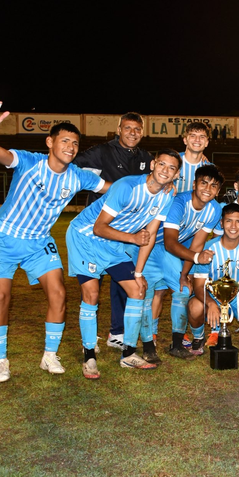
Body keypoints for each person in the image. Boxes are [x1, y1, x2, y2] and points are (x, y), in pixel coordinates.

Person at [0, 100, 108, 382]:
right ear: (50, 142)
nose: (71, 148)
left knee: (59, 293)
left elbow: (112, 189)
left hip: (39, 243)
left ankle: (49, 355)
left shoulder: (78, 176)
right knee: (1, 297)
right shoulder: (28, 162)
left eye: (75, 143)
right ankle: (0, 360)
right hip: (6, 239)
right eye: (65, 141)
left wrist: (150, 185)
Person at [66, 148, 179, 379]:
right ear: (152, 165)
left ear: (176, 174)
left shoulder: (167, 196)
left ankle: (128, 354)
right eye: (161, 164)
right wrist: (133, 238)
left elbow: (149, 234)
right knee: (91, 294)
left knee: (138, 290)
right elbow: (99, 227)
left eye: (171, 168)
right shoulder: (127, 186)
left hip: (113, 244)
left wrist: (138, 272)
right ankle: (89, 356)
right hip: (86, 238)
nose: (165, 170)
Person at [74, 112, 154, 351]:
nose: (133, 133)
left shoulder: (146, 157)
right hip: (96, 230)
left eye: (137, 129)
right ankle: (89, 337)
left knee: (123, 280)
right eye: (128, 128)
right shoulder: (101, 152)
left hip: (127, 231)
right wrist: (102, 186)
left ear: (142, 132)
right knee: (91, 283)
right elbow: (73, 167)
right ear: (119, 129)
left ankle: (116, 332)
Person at [141, 165, 225, 359]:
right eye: (203, 183)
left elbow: (197, 244)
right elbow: (170, 241)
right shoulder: (179, 202)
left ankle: (176, 344)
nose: (207, 189)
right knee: (147, 294)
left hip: (172, 252)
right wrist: (194, 259)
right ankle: (148, 344)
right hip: (151, 247)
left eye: (213, 186)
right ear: (194, 184)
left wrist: (184, 274)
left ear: (218, 191)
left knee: (183, 290)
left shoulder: (214, 209)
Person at [187, 204, 239, 354]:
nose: (233, 226)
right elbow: (198, 286)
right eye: (229, 221)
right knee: (195, 306)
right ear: (221, 223)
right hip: (214, 294)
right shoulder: (209, 248)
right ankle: (199, 337)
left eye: (238, 221)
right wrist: (210, 304)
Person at [176, 122, 212, 194]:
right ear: (185, 140)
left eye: (202, 137)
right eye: (193, 136)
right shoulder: (172, 162)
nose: (197, 140)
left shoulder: (210, 169)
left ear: (206, 143)